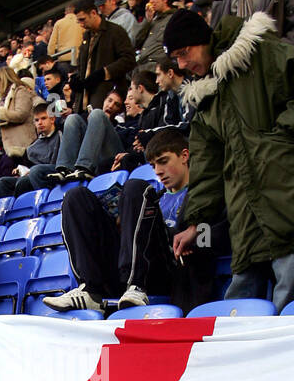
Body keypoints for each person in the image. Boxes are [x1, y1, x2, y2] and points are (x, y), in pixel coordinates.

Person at [162, 9, 294, 312]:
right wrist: (196, 223)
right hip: (248, 214)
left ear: (204, 40)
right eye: (176, 59)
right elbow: (206, 171)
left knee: (290, 298)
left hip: (292, 195)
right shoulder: (205, 100)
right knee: (240, 306)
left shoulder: (258, 52)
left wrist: (280, 142)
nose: (182, 64)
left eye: (185, 53)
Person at [44, 126, 223, 314]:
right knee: (75, 197)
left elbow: (216, 235)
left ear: (184, 155)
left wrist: (193, 240)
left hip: (169, 271)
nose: (159, 172)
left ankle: (137, 284)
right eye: (154, 166)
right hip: (127, 266)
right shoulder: (158, 197)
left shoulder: (203, 197)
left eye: (163, 162)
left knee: (136, 188)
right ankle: (89, 289)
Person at [71, 0, 136, 112]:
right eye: (79, 21)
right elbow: (82, 64)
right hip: (85, 99)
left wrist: (104, 72)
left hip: (106, 95)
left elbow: (129, 59)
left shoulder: (115, 31)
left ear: (93, 13)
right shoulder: (86, 36)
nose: (81, 25)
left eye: (83, 20)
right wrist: (76, 78)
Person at [0, 67, 36, 164]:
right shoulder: (0, 98)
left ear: (4, 79)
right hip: (8, 147)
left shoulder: (20, 91)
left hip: (23, 144)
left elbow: (21, 114)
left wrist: (1, 114)